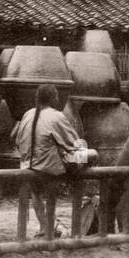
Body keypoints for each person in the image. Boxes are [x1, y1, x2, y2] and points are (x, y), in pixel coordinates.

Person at [11, 84, 83, 238]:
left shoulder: (28, 114)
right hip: (47, 167)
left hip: (26, 165)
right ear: (52, 98)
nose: (58, 98)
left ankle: (45, 227)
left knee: (36, 194)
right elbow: (72, 141)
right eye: (56, 95)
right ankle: (50, 228)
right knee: (52, 193)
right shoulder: (56, 116)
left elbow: (17, 140)